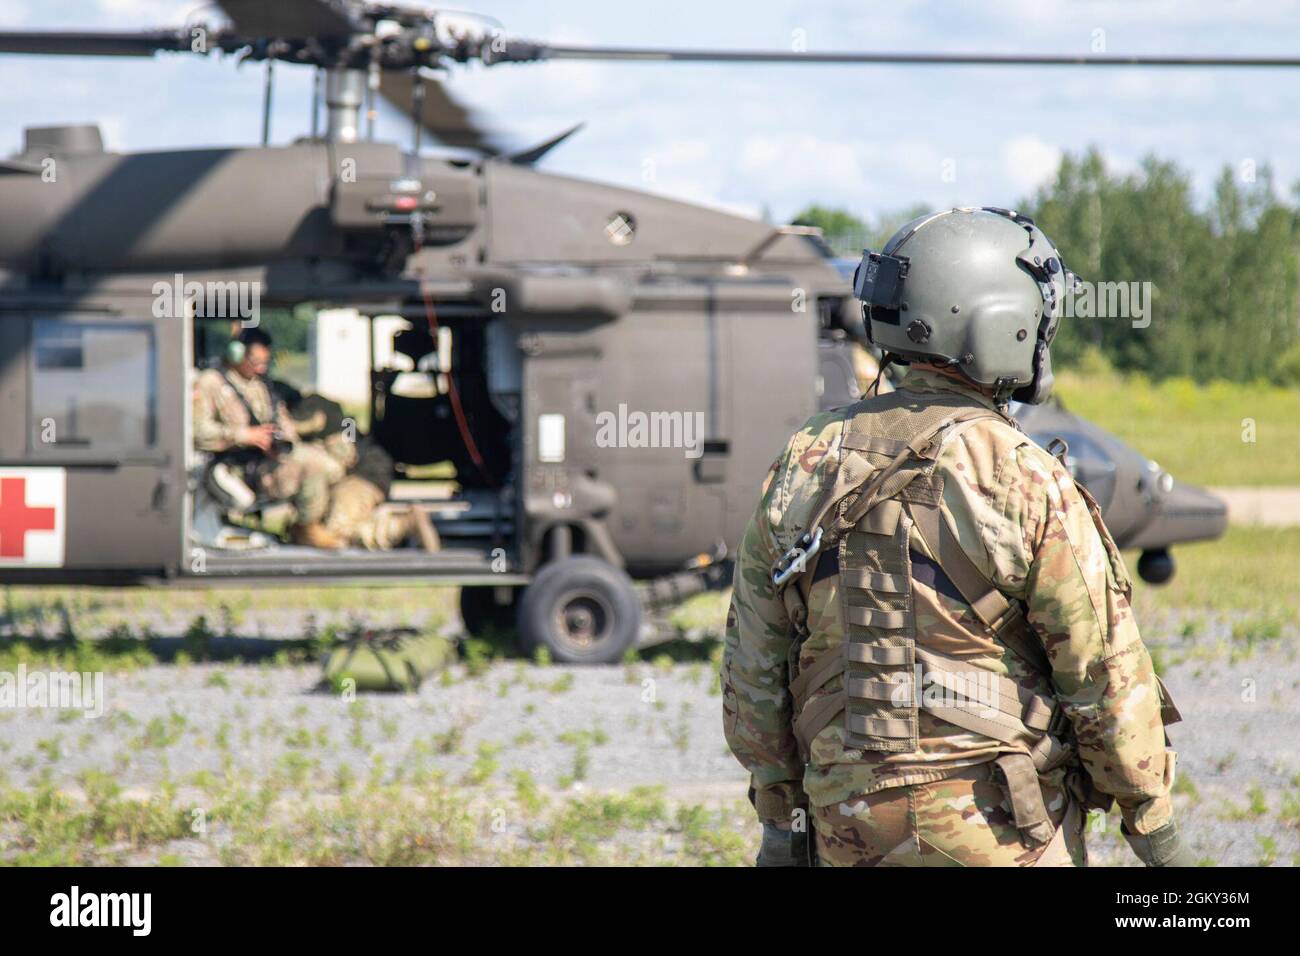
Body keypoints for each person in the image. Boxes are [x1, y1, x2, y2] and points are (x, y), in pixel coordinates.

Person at [722, 207, 1188, 867]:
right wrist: (1154, 829)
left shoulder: (809, 456)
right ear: (997, 323)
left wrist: (781, 817)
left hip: (847, 826)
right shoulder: (1023, 473)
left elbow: (754, 664)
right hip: (1002, 827)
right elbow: (1102, 675)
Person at [192, 327, 344, 549]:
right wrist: (244, 436)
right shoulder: (210, 382)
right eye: (255, 362)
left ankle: (311, 524)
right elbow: (196, 431)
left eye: (265, 362)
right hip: (232, 466)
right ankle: (306, 529)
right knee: (312, 467)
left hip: (265, 460)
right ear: (237, 354)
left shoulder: (261, 385)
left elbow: (281, 421)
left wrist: (281, 439)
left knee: (330, 465)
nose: (261, 368)